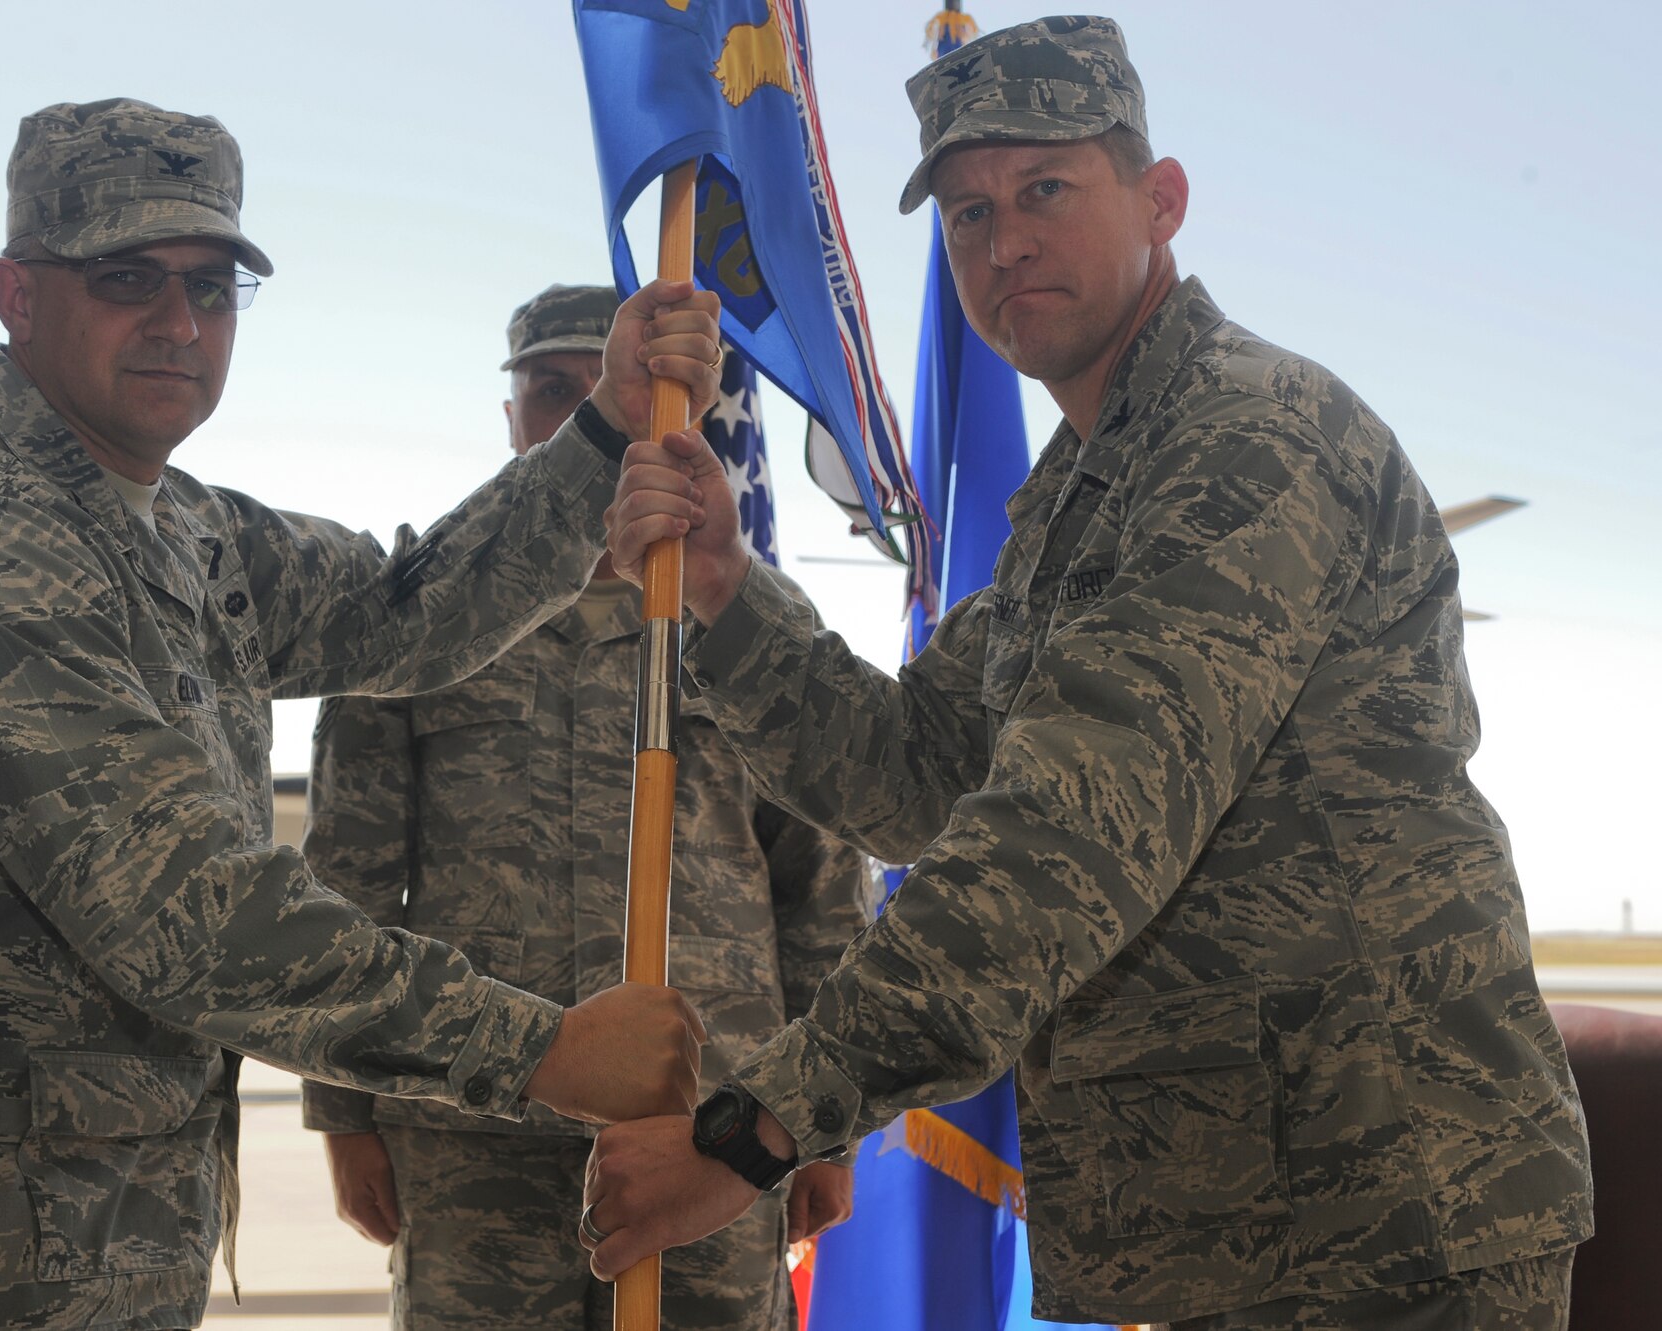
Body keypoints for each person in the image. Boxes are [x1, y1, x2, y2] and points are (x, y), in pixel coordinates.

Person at [583, 17, 1592, 1330]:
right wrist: (723, 581)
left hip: (1389, 1222)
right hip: (1243, 1222)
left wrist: (748, 1134)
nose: (1002, 244)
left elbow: (1061, 839)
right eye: (964, 213)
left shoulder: (1247, 434)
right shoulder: (1075, 499)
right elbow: (916, 772)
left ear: (1161, 200)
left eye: (1045, 189)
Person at [0, 98, 723, 1331]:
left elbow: (404, 608)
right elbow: (183, 907)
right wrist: (534, 1047)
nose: (177, 322)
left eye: (210, 286)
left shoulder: (184, 530)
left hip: (93, 1244)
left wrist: (602, 432)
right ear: (14, 294)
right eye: (126, 277)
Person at [300, 283, 864, 1330]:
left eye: (600, 389)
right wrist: (343, 1116)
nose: (571, 420)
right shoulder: (426, 609)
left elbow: (821, 890)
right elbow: (351, 879)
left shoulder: (744, 608)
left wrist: (826, 1128)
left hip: (712, 1132)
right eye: (546, 392)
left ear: (675, 407)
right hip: (471, 1130)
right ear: (510, 414)